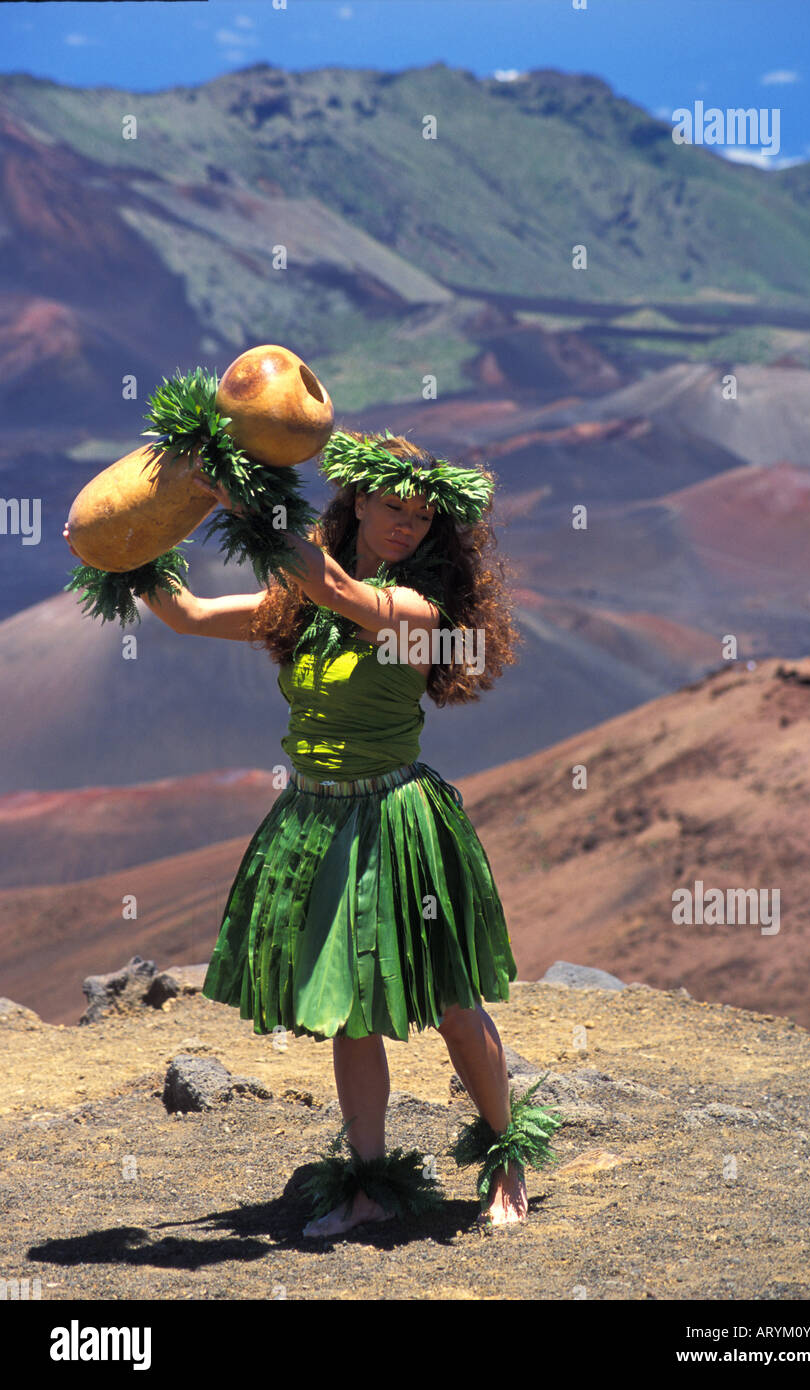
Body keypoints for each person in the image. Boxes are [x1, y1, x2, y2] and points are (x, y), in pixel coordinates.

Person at [63, 428, 562, 1237]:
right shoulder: (297, 608)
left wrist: (247, 504)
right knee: (349, 1009)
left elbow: (338, 587)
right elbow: (186, 616)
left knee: (451, 1003)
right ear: (357, 502)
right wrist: (127, 547)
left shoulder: (416, 610)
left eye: (422, 517)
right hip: (315, 818)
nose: (405, 525)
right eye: (391, 507)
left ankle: (505, 1155)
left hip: (398, 822)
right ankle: (368, 1182)